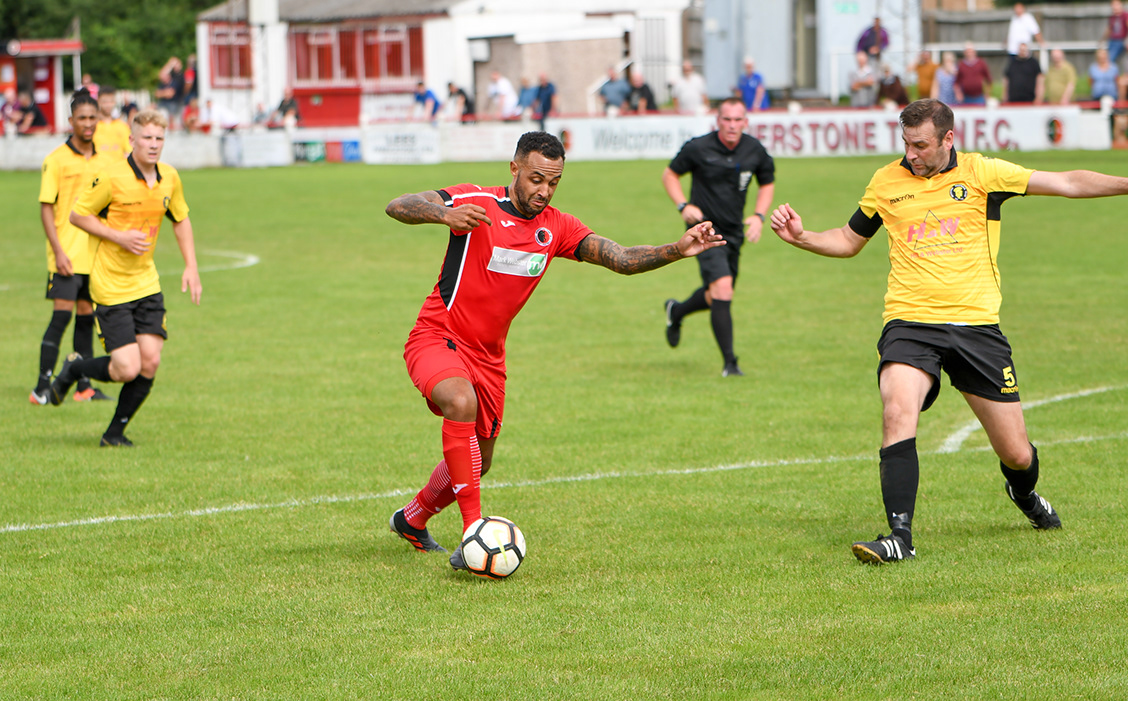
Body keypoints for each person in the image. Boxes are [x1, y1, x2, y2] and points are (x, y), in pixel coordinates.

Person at [770, 98, 1128, 564]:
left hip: (976, 328)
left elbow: (1066, 183)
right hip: (910, 323)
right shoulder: (885, 181)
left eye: (920, 145)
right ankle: (899, 537)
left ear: (948, 139)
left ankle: (1024, 495)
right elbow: (848, 239)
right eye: (905, 144)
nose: (911, 154)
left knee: (1018, 455)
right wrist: (803, 237)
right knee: (897, 409)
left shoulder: (984, 174)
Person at [384, 131, 723, 572]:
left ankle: (411, 520)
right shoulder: (477, 201)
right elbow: (398, 204)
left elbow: (619, 257)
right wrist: (443, 213)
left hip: (489, 357)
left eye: (553, 183)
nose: (543, 191)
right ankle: (474, 535)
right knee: (459, 402)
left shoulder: (556, 227)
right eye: (536, 179)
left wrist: (677, 250)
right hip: (437, 335)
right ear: (514, 169)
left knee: (478, 461)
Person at [48, 109, 202, 447]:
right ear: (131, 140)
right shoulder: (111, 177)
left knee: (151, 361)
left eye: (159, 138)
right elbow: (77, 215)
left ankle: (113, 434)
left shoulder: (170, 178)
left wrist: (191, 265)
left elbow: (181, 219)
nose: (153, 145)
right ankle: (77, 370)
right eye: (147, 138)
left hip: (146, 283)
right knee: (126, 368)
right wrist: (118, 236)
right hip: (111, 286)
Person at [661, 99, 775, 377]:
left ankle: (676, 312)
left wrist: (759, 216)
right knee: (723, 290)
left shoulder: (754, 150)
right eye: (727, 119)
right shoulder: (698, 147)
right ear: (718, 120)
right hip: (705, 232)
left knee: (717, 296)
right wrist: (683, 206)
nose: (732, 125)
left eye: (738, 120)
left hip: (735, 232)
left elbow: (767, 182)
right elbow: (670, 174)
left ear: (746, 122)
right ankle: (730, 364)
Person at [30, 91, 112, 406]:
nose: (88, 124)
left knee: (86, 317)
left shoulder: (106, 160)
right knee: (61, 317)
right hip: (66, 254)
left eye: (93, 118)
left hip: (95, 256)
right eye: (82, 118)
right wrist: (58, 251)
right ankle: (41, 387)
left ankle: (83, 387)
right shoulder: (56, 160)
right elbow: (46, 208)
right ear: (71, 121)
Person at [93, 87, 132, 161]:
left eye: (111, 101)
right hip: (97, 170)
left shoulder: (122, 126)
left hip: (117, 169)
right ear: (98, 102)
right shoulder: (92, 126)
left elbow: (128, 151)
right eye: (104, 102)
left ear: (115, 102)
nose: (108, 105)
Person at [1105, 0, 1128, 66]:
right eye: (1113, 5)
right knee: (1108, 58)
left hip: (1120, 41)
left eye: (1117, 4)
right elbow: (1109, 29)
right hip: (1112, 40)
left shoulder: (1125, 15)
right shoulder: (1112, 17)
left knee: (1110, 59)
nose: (1115, 7)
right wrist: (1102, 40)